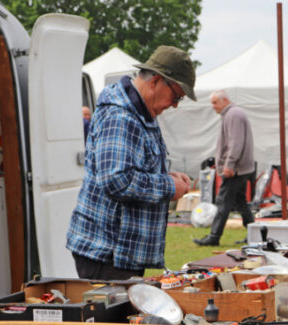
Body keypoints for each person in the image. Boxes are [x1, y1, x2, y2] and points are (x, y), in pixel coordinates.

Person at [66, 46, 195, 280]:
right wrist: (168, 186)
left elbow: (130, 168)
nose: (175, 104)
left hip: (118, 254)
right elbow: (116, 180)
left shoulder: (139, 114)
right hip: (107, 254)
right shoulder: (121, 117)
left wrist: (167, 176)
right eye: (176, 96)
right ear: (156, 81)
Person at [193, 90, 255, 246]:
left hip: (236, 169)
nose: (213, 106)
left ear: (225, 100)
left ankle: (214, 237)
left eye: (215, 102)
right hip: (241, 168)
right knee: (241, 202)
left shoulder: (233, 115)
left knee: (222, 202)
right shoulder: (234, 114)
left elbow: (235, 143)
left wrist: (229, 164)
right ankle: (254, 236)